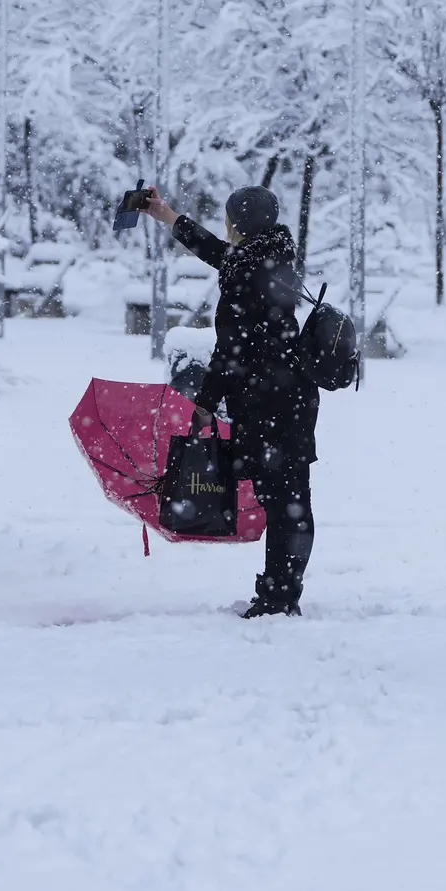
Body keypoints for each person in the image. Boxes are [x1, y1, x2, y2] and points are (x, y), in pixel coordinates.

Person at [140, 184, 318, 617]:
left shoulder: (244, 272)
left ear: (237, 223)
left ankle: (277, 598)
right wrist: (169, 217)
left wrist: (204, 402)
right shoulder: (272, 258)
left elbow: (229, 351)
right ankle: (283, 591)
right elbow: (219, 254)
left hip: (264, 403)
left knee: (283, 503)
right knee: (292, 499)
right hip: (292, 399)